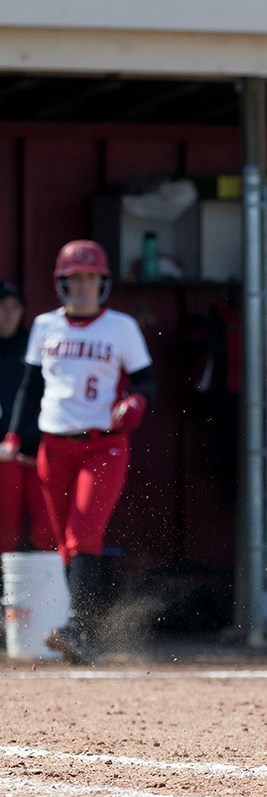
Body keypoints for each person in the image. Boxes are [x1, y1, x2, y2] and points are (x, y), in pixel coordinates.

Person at [0, 241, 155, 664]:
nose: (83, 287)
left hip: (102, 444)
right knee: (63, 544)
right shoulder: (46, 326)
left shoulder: (120, 327)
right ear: (62, 283)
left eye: (90, 279)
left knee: (83, 533)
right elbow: (31, 388)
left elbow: (145, 381)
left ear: (102, 283)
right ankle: (82, 632)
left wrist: (137, 403)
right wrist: (16, 434)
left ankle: (79, 626)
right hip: (55, 445)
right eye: (75, 279)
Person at [0, 280, 53, 554]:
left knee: (48, 529)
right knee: (4, 532)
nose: (8, 314)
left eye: (14, 308)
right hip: (2, 455)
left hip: (36, 452)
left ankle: (46, 593)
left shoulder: (34, 349)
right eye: (2, 307)